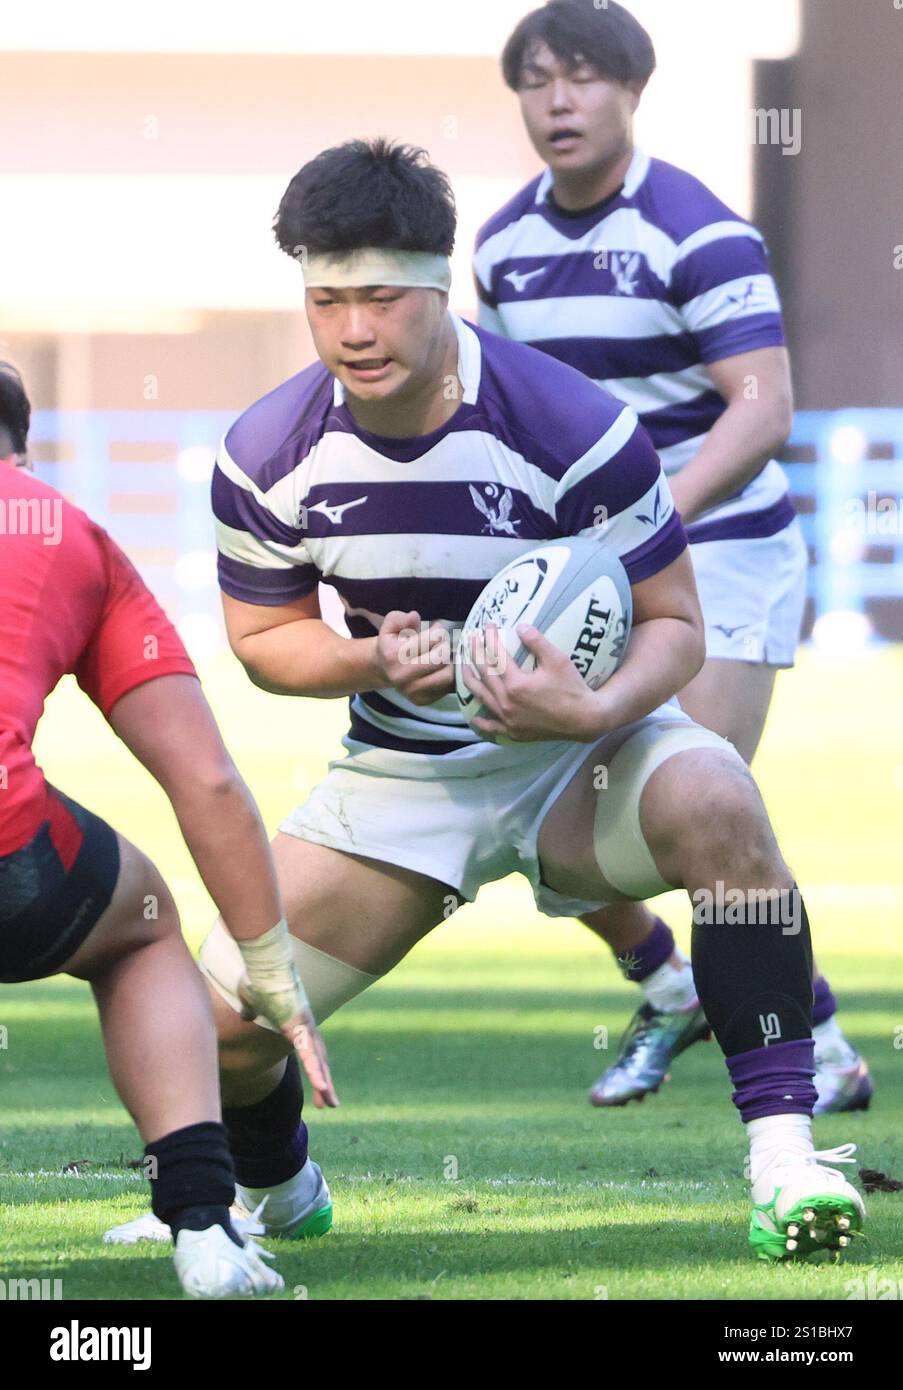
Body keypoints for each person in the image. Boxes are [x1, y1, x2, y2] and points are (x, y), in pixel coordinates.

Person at [107, 138, 864, 1262]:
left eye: (379, 298)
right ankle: (282, 1184)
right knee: (218, 1029)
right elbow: (266, 641)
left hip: (581, 761)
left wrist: (585, 710)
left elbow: (676, 626)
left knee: (718, 793)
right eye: (325, 301)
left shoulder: (571, 427)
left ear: (440, 286)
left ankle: (786, 1159)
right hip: (408, 774)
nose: (353, 329)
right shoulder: (269, 453)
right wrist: (371, 663)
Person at [473, 0, 871, 1115]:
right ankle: (693, 988)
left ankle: (786, 1075)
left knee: (700, 799)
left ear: (632, 92)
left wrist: (651, 519)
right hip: (583, 568)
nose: (558, 99)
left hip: (726, 553)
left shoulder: (698, 230)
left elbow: (764, 407)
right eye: (537, 79)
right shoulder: (502, 247)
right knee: (521, 780)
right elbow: (507, 421)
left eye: (584, 76)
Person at [0, 361, 337, 1297]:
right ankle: (199, 1219)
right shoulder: (61, 528)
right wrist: (268, 973)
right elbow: (206, 781)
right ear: (22, 454)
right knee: (141, 923)